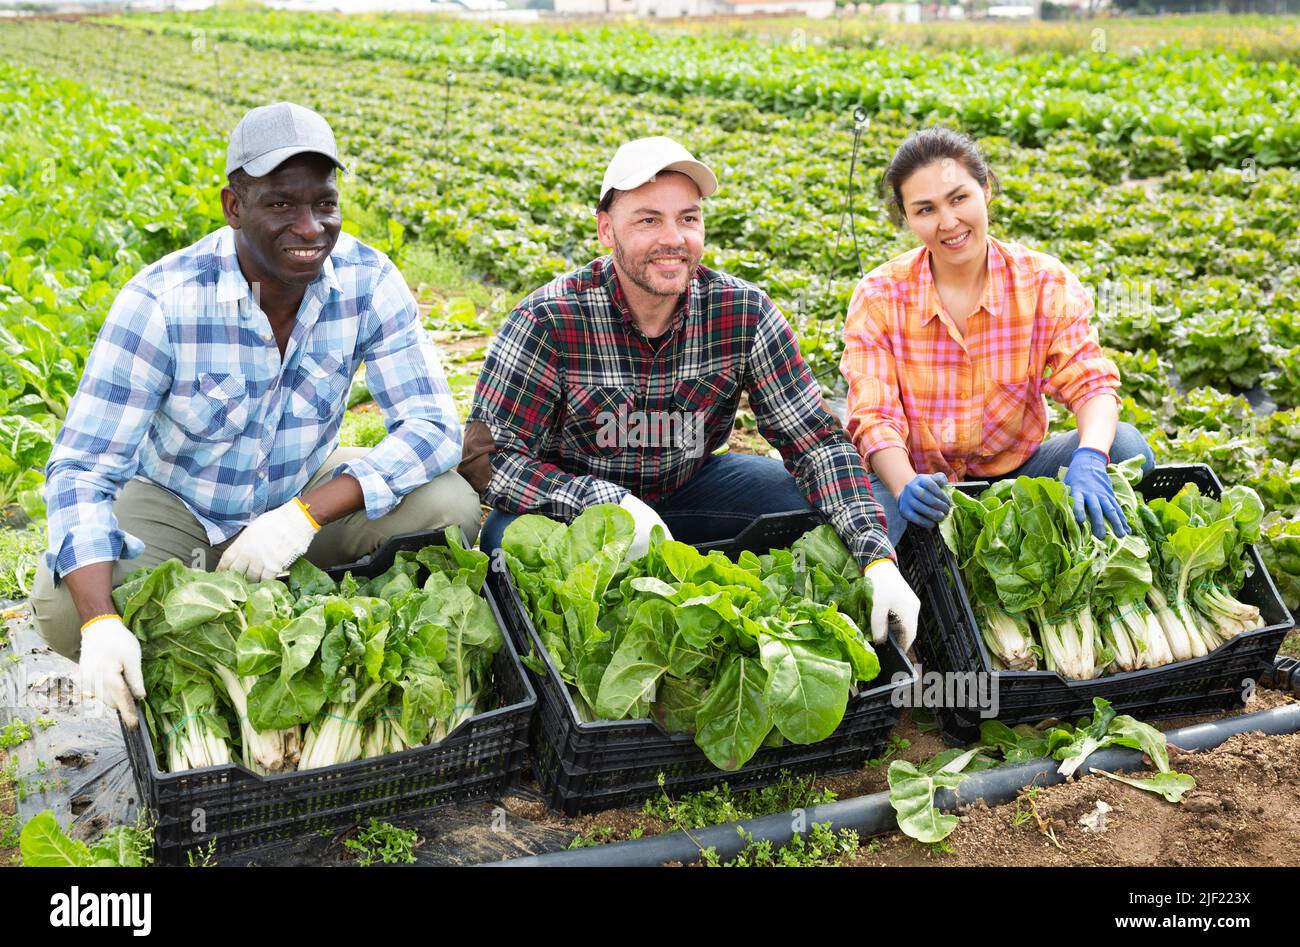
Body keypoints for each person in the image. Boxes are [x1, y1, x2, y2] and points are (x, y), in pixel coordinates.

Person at [31, 102, 480, 727]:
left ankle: (297, 620)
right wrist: (102, 621)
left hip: (299, 496)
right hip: (180, 506)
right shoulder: (162, 301)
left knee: (448, 507)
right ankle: (194, 633)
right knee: (63, 606)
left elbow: (434, 428)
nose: (309, 227)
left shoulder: (367, 280)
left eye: (324, 203)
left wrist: (302, 516)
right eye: (280, 205)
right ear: (233, 207)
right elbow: (81, 469)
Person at [459, 135, 920, 652]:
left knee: (871, 502)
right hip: (582, 509)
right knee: (505, 545)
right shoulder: (547, 319)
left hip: (692, 486)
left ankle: (797, 622)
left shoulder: (742, 311)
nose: (673, 238)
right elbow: (488, 459)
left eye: (688, 218)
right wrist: (604, 504)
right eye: (648, 219)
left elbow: (815, 442)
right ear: (605, 228)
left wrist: (878, 559)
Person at [840, 126, 1155, 547]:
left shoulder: (1044, 282)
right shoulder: (880, 295)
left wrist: (1090, 457)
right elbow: (873, 413)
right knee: (872, 532)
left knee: (1127, 445)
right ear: (907, 217)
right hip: (920, 483)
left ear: (986, 189)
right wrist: (903, 486)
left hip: (1017, 474)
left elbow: (1089, 379)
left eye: (959, 198)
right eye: (925, 209)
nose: (948, 223)